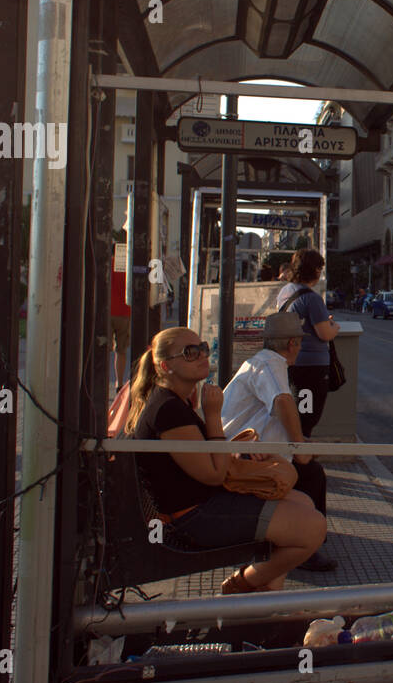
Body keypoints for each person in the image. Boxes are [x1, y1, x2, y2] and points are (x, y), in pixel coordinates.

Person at [124, 326, 325, 593]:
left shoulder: (175, 401)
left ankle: (267, 592)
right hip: (193, 517)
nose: (202, 356)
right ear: (165, 366)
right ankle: (242, 584)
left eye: (203, 348)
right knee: (313, 528)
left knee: (304, 502)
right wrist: (213, 415)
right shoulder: (167, 410)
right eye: (190, 352)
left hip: (202, 502)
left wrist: (239, 450)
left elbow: (204, 460)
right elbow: (214, 475)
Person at [221, 312, 337, 571]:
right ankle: (304, 543)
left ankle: (310, 536)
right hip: (241, 456)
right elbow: (282, 402)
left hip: (244, 448)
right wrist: (298, 447)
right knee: (310, 474)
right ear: (293, 344)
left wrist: (300, 442)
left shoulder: (264, 362)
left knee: (312, 473)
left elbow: (272, 415)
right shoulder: (271, 363)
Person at [276, 249, 341, 438]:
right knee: (307, 414)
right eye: (319, 268)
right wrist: (334, 326)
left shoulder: (286, 291)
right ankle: (300, 453)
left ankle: (298, 448)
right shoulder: (312, 298)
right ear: (314, 271)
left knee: (299, 407)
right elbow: (324, 333)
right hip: (312, 367)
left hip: (291, 361)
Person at [110, 261, 132, 389]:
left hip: (107, 310)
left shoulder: (106, 263)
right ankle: (119, 381)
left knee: (103, 347)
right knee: (121, 349)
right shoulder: (126, 265)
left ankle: (101, 379)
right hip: (124, 312)